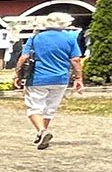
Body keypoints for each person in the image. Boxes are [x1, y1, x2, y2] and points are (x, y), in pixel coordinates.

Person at [11, 13, 84, 149]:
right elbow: (75, 60)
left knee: (34, 107)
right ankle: (42, 133)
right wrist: (78, 78)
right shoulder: (70, 38)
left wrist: (18, 75)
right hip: (60, 78)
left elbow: (24, 58)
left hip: (38, 78)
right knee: (50, 108)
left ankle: (42, 131)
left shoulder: (35, 38)